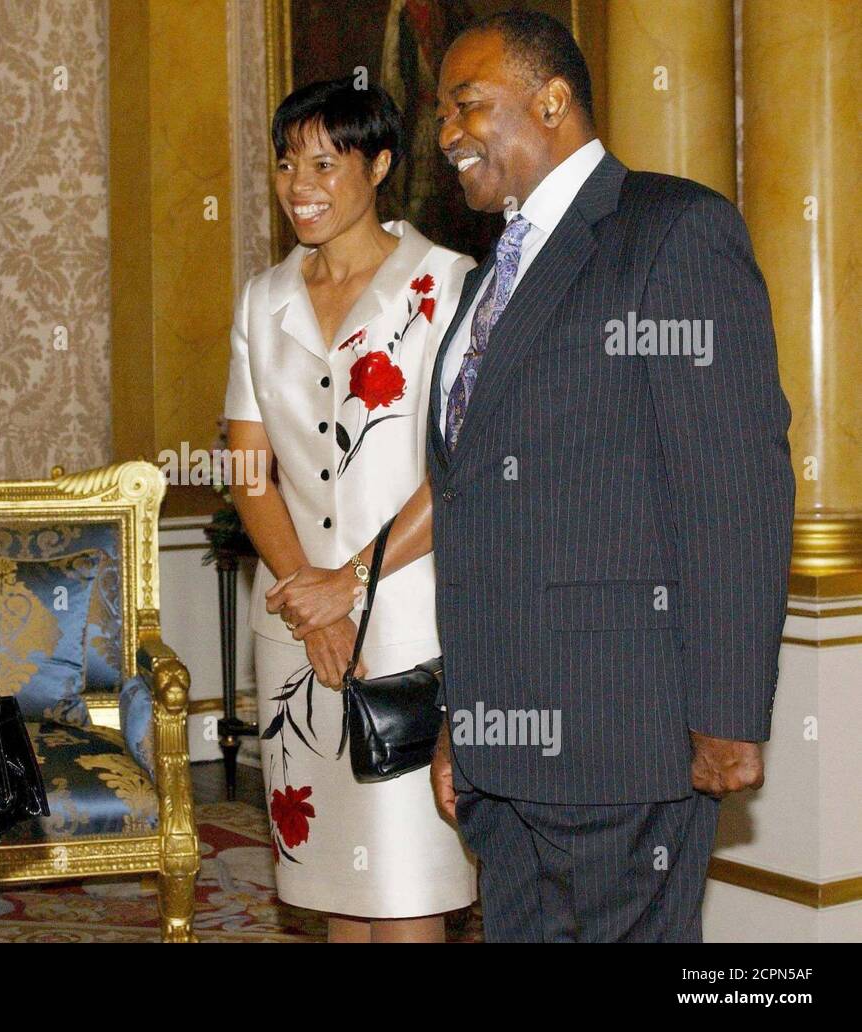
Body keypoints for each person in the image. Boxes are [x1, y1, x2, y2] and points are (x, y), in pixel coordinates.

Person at [423, 12, 794, 941]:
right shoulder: (484, 284)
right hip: (503, 754)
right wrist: (459, 719)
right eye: (439, 115)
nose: (445, 135)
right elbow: (476, 513)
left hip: (625, 736)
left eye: (466, 106)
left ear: (552, 101)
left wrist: (727, 713)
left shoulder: (674, 233)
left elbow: (735, 486)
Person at [225, 78, 477, 943]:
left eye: (326, 161)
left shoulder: (449, 287)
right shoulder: (263, 299)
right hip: (296, 626)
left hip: (412, 626)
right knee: (338, 884)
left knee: (407, 888)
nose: (302, 182)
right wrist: (309, 593)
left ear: (379, 165)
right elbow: (249, 469)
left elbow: (461, 466)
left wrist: (353, 585)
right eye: (289, 160)